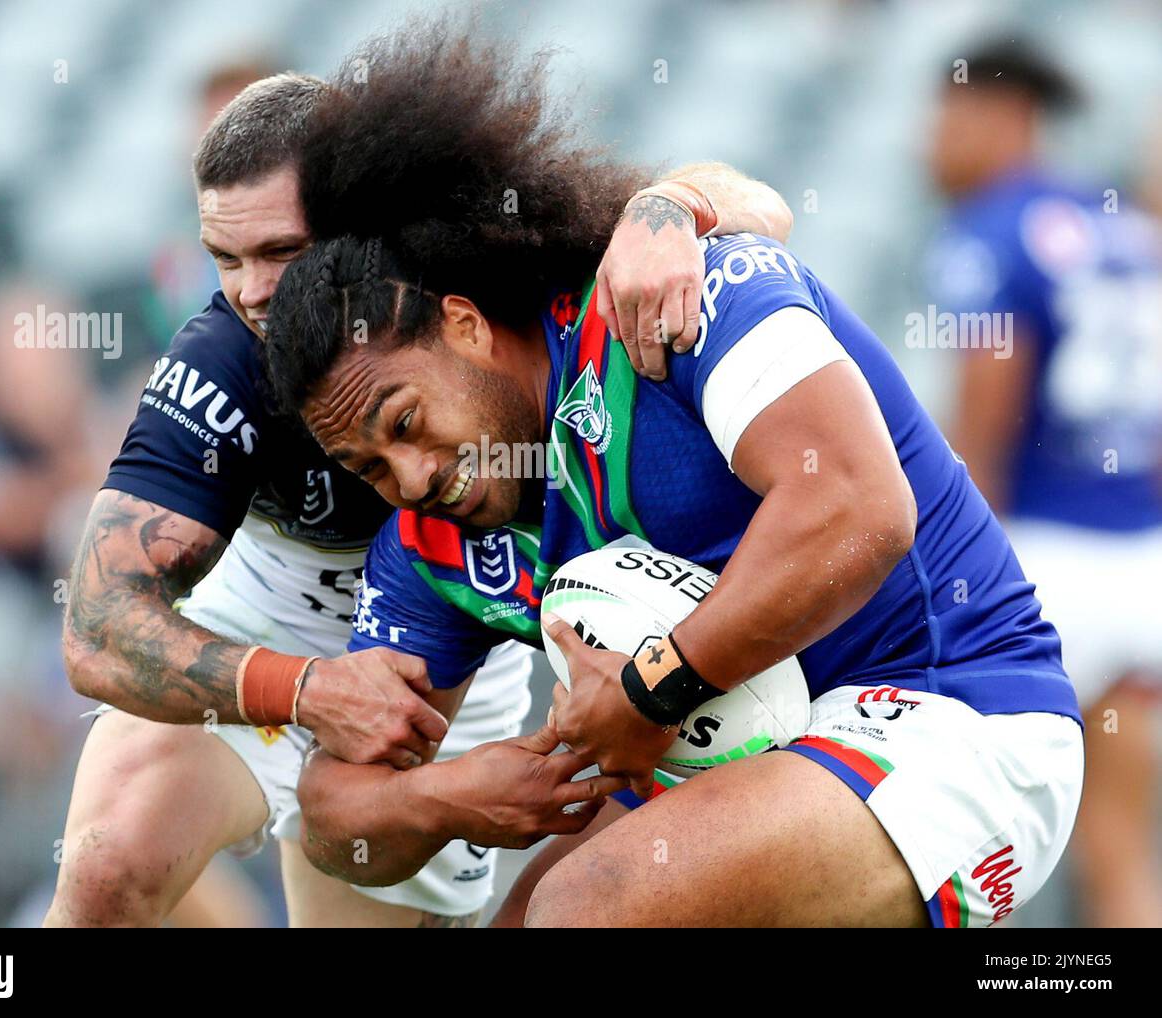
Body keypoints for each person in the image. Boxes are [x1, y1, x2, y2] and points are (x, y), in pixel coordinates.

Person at [262, 26, 1084, 928]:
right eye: (366, 467)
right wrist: (449, 798)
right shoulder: (433, 543)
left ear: (463, 325)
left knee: (585, 910)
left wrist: (655, 688)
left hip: (950, 714)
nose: (408, 478)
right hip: (745, 766)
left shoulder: (680, 303)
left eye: (406, 424)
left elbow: (858, 508)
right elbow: (335, 810)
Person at [45, 67, 794, 927]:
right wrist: (308, 688)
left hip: (437, 681)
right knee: (103, 881)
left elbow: (759, 208)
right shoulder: (220, 358)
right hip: (259, 643)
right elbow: (96, 625)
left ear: (360, 218)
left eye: (281, 253)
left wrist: (667, 210)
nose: (252, 292)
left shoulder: (474, 258)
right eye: (225, 259)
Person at [927, 38, 1162, 927]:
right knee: (1117, 843)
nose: (929, 142)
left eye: (946, 116)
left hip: (1039, 567)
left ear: (1000, 114)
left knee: (964, 845)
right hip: (1139, 562)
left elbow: (987, 425)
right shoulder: (1126, 229)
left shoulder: (994, 226)